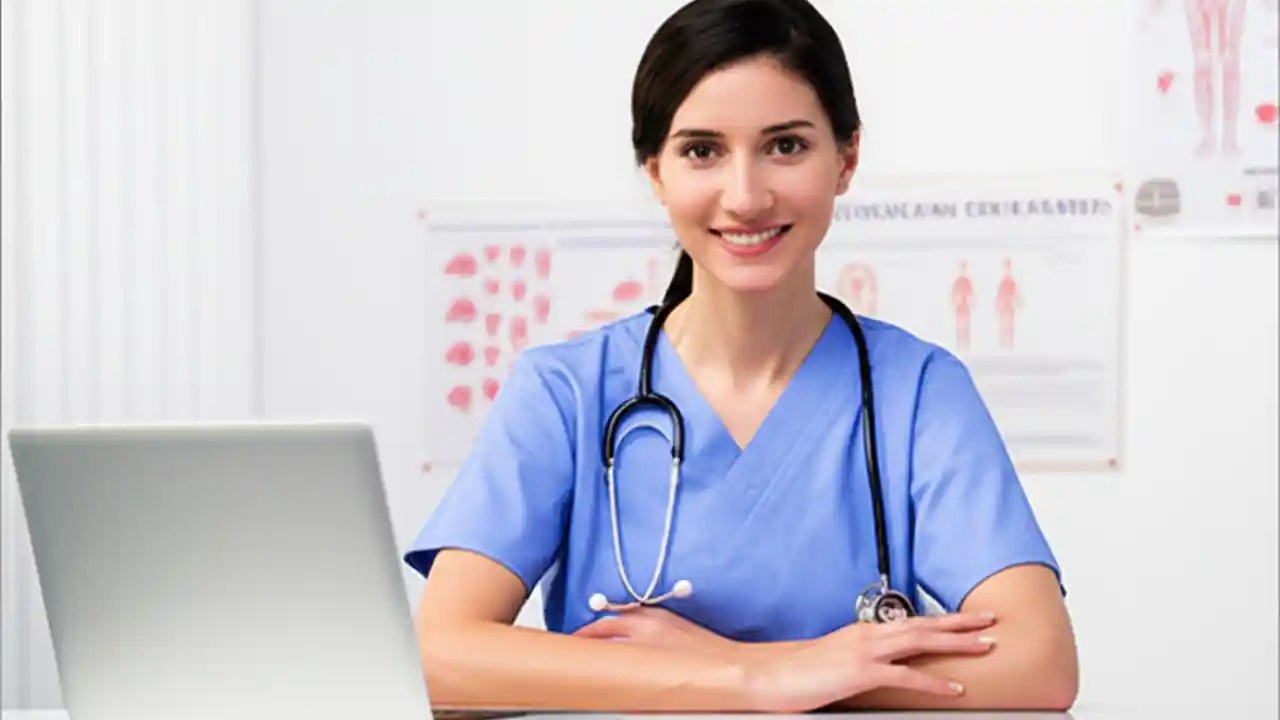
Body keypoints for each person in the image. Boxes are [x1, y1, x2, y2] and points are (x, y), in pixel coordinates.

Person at [403, 0, 1078, 712]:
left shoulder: (917, 392)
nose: (746, 195)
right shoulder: (565, 392)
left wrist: (739, 663)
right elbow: (438, 656)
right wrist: (759, 680)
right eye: (702, 151)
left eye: (786, 146)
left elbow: (1039, 662)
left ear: (846, 159)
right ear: (655, 171)